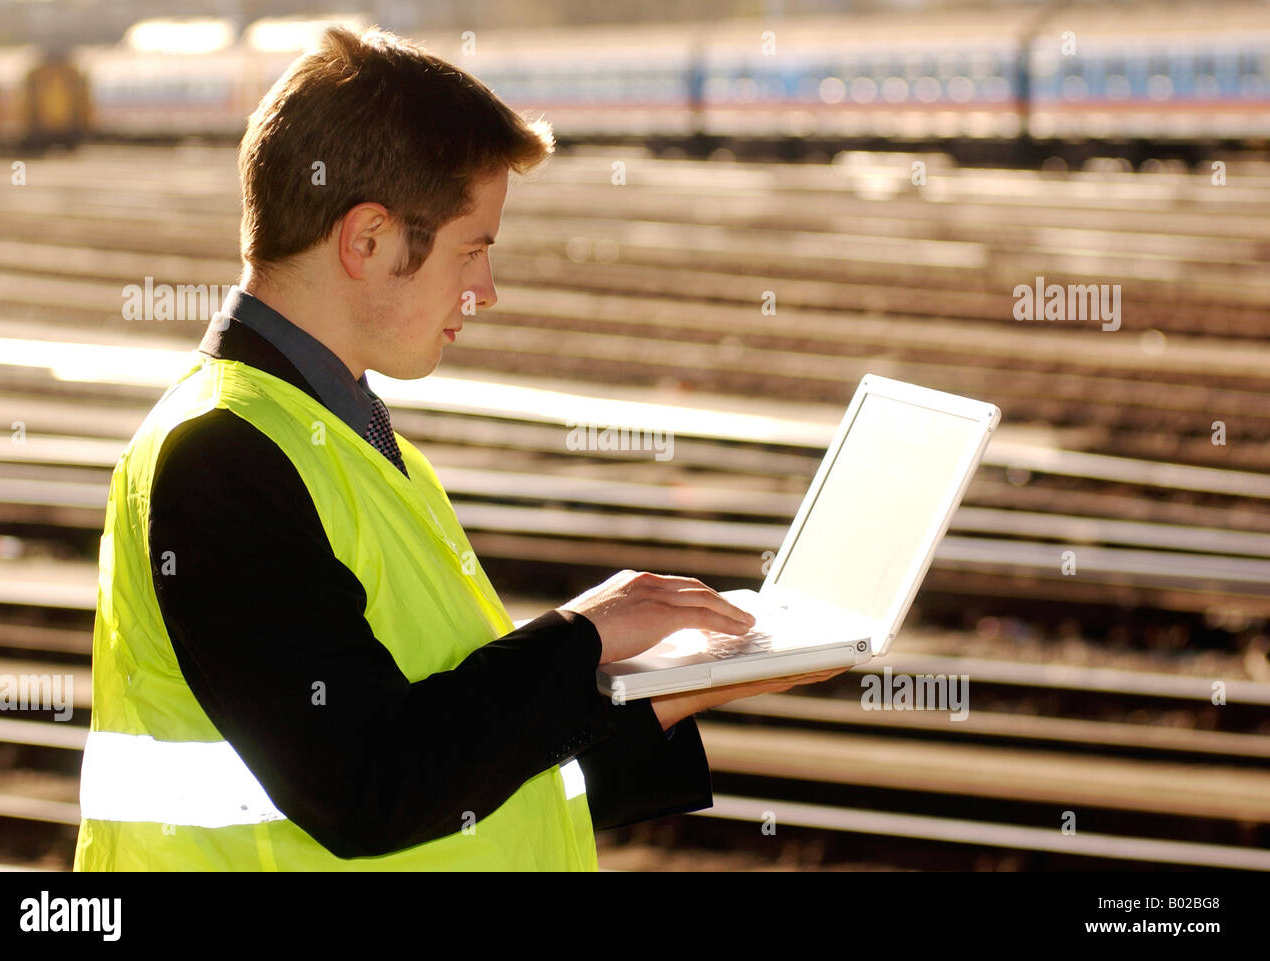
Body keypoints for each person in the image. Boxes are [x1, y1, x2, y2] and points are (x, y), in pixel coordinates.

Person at [72, 23, 845, 872]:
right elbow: (370, 787)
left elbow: (455, 755)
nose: (486, 290)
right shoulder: (221, 459)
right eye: (472, 249)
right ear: (365, 240)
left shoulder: (338, 437)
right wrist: (580, 635)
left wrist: (665, 690)